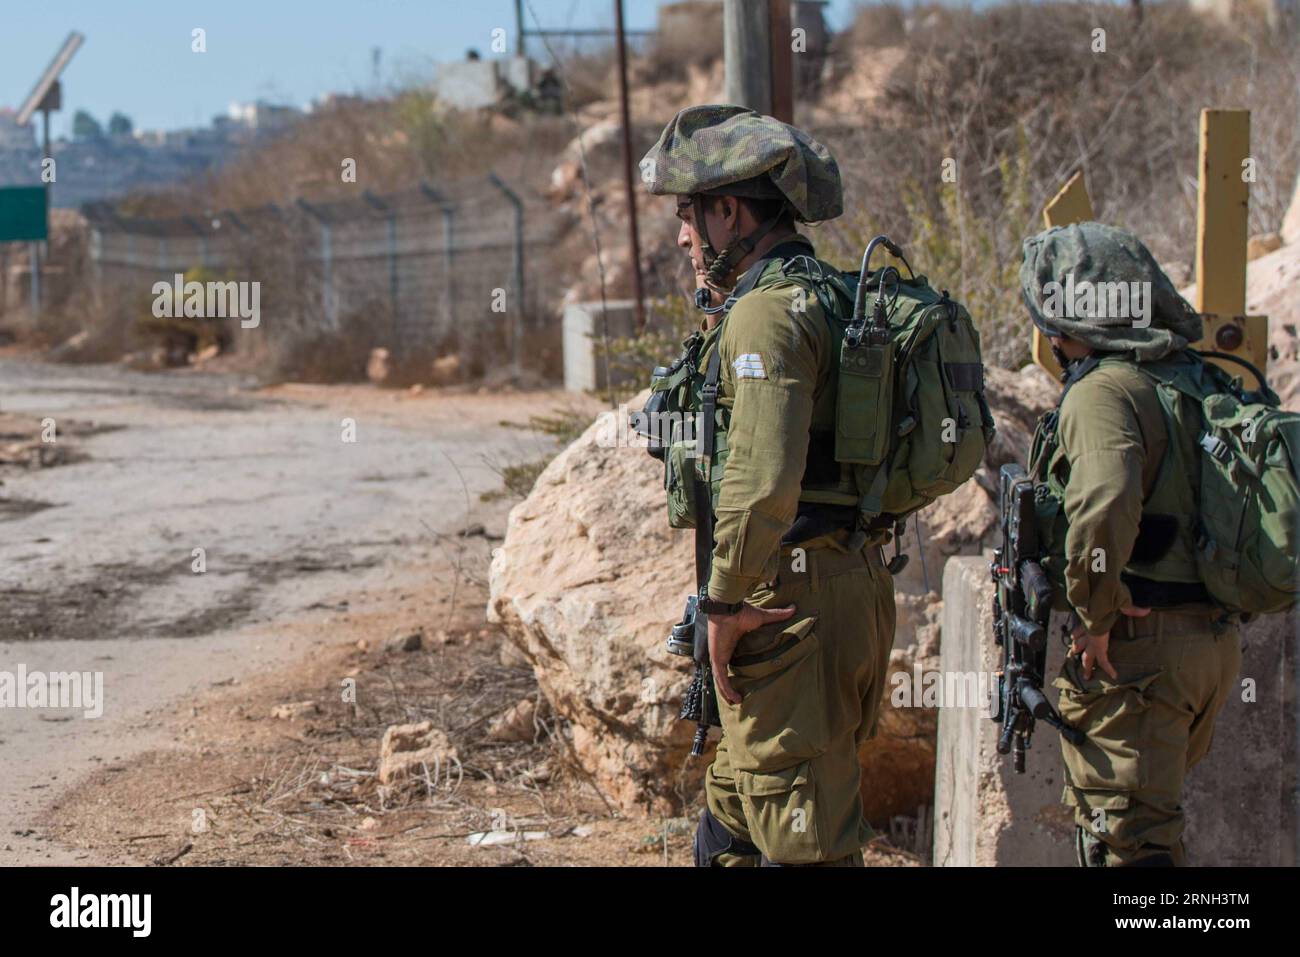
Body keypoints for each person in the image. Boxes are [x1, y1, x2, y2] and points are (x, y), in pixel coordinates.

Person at [641, 105, 896, 866]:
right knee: (731, 824)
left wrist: (721, 603)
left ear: (730, 211)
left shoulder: (764, 316)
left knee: (806, 844)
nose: (683, 235)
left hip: (782, 613)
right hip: (843, 590)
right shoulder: (838, 296)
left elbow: (761, 480)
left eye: (689, 214)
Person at [1021, 221, 1243, 867]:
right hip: (1211, 644)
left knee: (1132, 846)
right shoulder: (1197, 383)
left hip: (1142, 650)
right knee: (1144, 826)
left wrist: (1095, 614)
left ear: (1067, 327)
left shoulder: (1103, 391)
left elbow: (1107, 499)